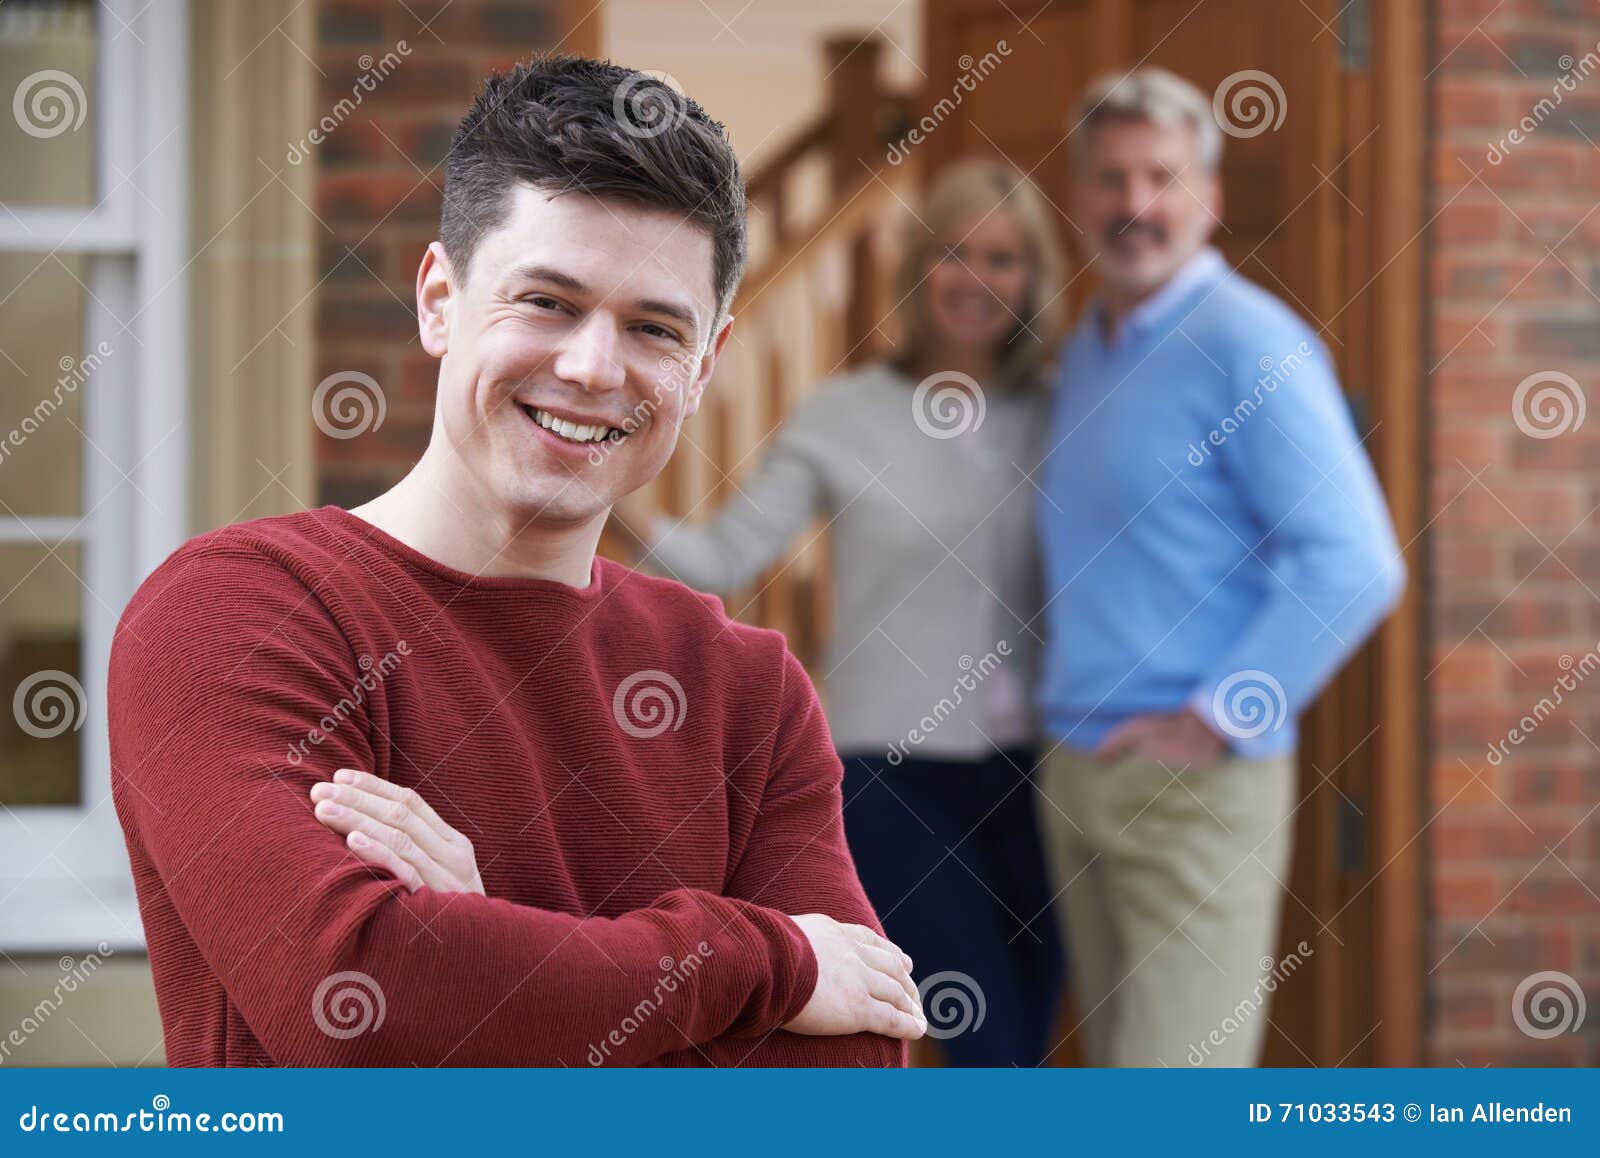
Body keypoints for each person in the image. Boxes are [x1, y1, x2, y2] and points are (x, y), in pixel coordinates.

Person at [107, 55, 927, 1068]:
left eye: (653, 328)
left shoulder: (749, 695)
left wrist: (484, 938)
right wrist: (768, 967)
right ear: (439, 301)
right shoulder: (238, 614)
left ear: (704, 367)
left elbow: (850, 1077)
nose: (591, 367)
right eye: (546, 301)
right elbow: (357, 1010)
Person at [610, 159, 1068, 1066]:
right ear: (918, 267)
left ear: (1033, 278)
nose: (976, 280)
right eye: (954, 253)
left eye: (1004, 259)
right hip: (890, 777)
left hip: (1045, 780)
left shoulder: (1065, 415)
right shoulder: (842, 415)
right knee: (989, 1047)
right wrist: (603, 484)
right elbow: (723, 558)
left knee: (1029, 1042)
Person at [1032, 68, 1406, 1067]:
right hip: (1075, 771)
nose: (1135, 205)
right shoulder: (1089, 350)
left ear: (1210, 196)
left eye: (1162, 176)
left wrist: (1216, 714)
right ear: (1078, 198)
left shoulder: (1253, 344)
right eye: (1111, 179)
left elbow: (1355, 560)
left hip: (1191, 786)